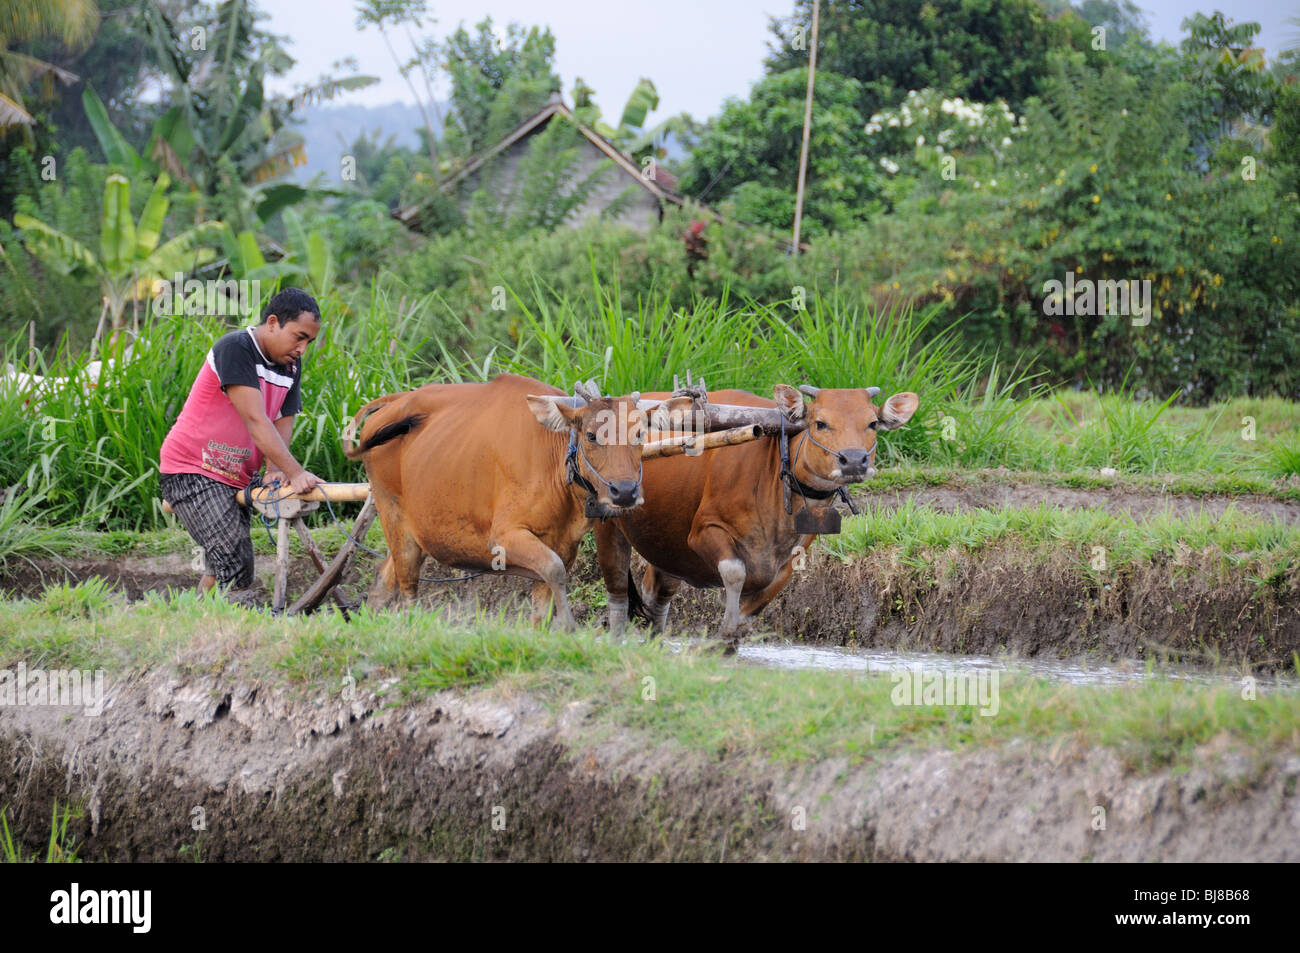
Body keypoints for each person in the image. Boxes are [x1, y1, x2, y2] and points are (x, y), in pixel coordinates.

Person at [158, 287, 324, 602]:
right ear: (273, 322)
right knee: (234, 558)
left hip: (234, 476)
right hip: (193, 470)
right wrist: (296, 472)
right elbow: (256, 420)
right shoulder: (236, 348)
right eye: (298, 337)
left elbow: (282, 417)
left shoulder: (290, 365)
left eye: (309, 342)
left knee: (219, 559)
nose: (302, 349)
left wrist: (276, 469)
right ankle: (249, 635)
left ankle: (190, 621)